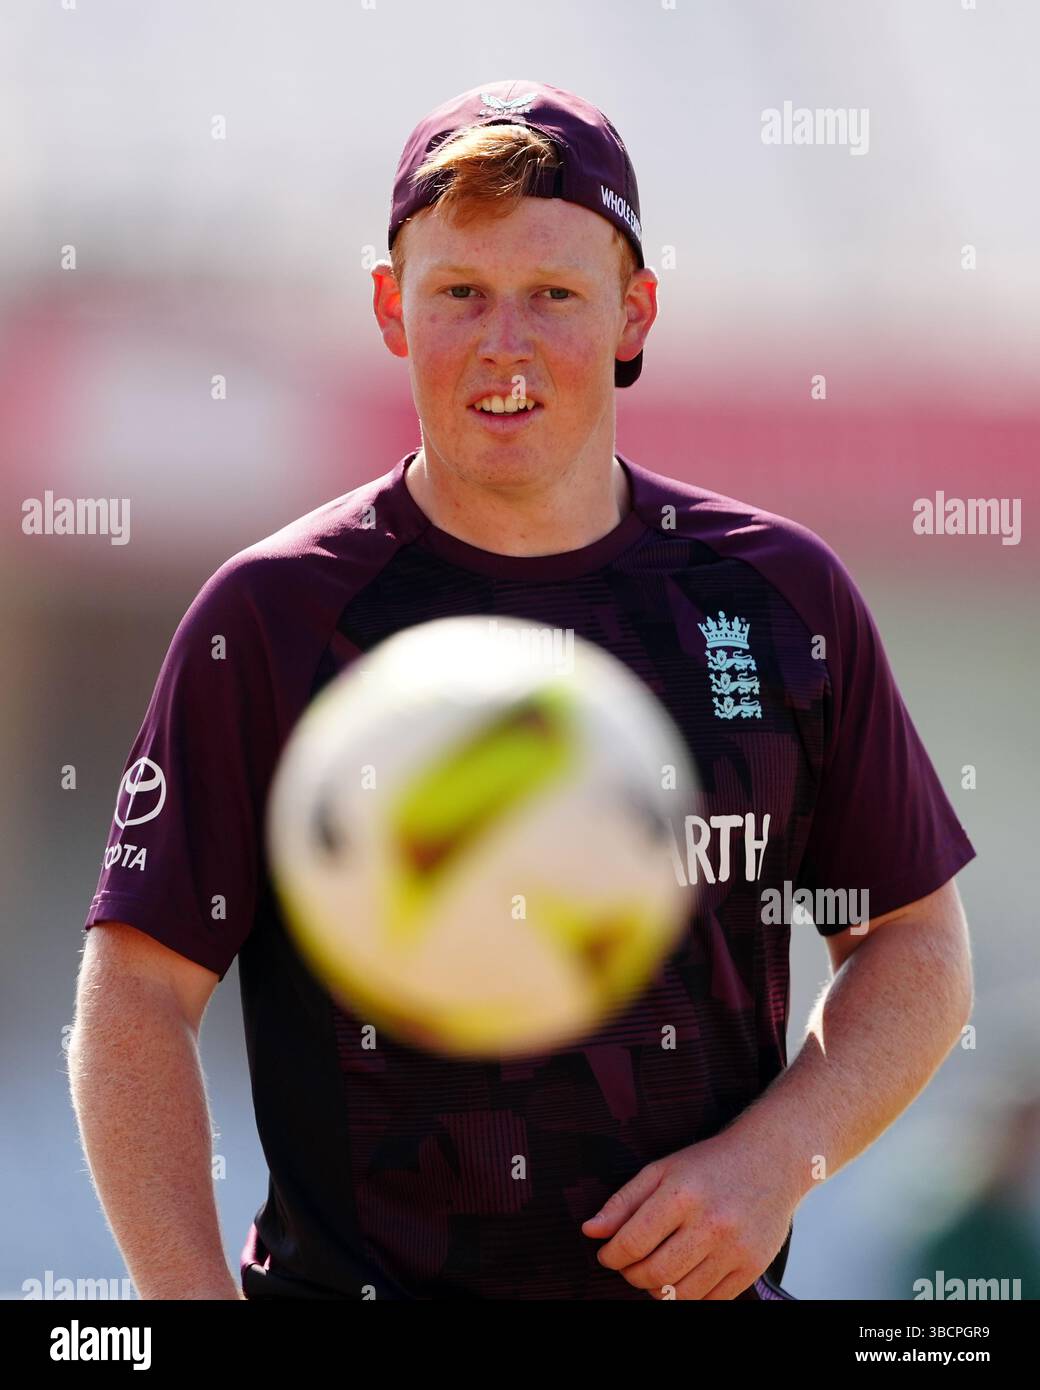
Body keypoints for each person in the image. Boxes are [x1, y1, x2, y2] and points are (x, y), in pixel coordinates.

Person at [68, 79, 976, 1301]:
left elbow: (912, 945)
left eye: (553, 295)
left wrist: (772, 1162)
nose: (505, 345)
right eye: (459, 295)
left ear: (632, 312)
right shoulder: (275, 617)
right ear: (392, 310)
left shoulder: (777, 597)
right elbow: (135, 988)